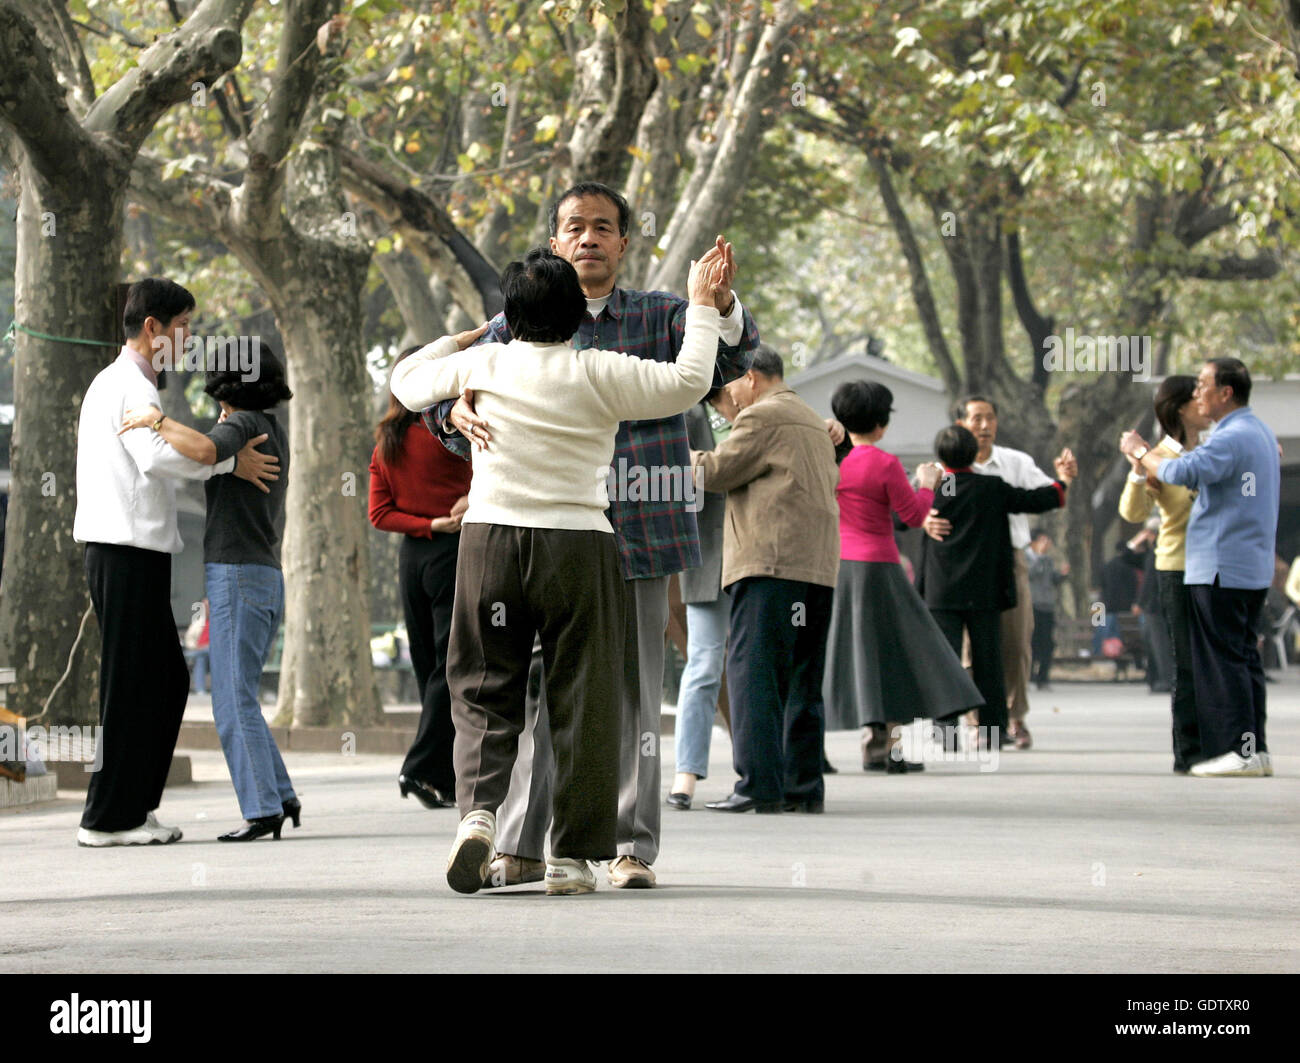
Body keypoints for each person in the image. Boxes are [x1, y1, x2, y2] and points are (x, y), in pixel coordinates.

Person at [428, 182, 758, 890]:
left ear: (624, 243)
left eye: (603, 228)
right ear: (555, 242)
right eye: (574, 227)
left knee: (630, 697)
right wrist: (452, 419)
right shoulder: (518, 321)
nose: (588, 239)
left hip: (640, 529)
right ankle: (518, 843)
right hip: (548, 533)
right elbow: (441, 401)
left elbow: (729, 364)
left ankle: (629, 844)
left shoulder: (665, 316)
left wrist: (721, 306)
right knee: (541, 690)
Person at [72, 277, 277, 847]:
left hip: (130, 550)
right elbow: (156, 458)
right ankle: (107, 818)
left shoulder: (125, 382)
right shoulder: (134, 387)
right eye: (183, 326)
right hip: (124, 549)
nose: (189, 338)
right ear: (152, 328)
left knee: (159, 681)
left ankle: (131, 807)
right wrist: (224, 466)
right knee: (137, 683)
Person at [119, 346, 300, 841]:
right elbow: (205, 445)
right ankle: (280, 796)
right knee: (242, 695)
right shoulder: (268, 424)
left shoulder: (241, 426)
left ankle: (262, 809)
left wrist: (156, 420)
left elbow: (200, 450)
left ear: (227, 385)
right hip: (261, 574)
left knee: (229, 699)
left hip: (237, 573)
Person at [688, 345, 840, 814]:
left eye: (731, 382)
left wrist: (678, 456)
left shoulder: (761, 419)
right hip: (816, 568)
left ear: (751, 376)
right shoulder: (813, 421)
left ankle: (758, 786)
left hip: (769, 564)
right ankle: (803, 787)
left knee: (753, 674)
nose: (729, 395)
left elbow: (716, 471)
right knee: (802, 680)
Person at [1121, 357, 1280, 778]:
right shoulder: (1258, 431)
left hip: (1220, 565)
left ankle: (1236, 750)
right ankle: (1252, 748)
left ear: (1225, 392)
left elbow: (1183, 470)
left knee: (1222, 660)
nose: (1198, 394)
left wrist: (1139, 453)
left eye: (1203, 386)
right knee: (1243, 657)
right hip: (1247, 565)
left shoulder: (1229, 438)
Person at [822, 381, 984, 772]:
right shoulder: (885, 463)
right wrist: (927, 485)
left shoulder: (831, 461)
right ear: (881, 424)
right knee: (891, 654)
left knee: (849, 653)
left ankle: (864, 742)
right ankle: (889, 748)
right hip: (881, 567)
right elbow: (912, 517)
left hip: (840, 568)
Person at [917, 425, 1074, 746]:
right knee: (990, 661)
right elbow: (1042, 499)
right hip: (985, 591)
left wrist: (923, 499)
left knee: (945, 659)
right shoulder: (991, 486)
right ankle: (992, 731)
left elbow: (901, 515)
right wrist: (1064, 482)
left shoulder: (938, 488)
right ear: (974, 454)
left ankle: (945, 730)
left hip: (942, 590)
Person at [369, 346, 473, 811]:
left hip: (411, 557)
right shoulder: (453, 436)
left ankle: (441, 777)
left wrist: (423, 526)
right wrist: (442, 523)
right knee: (449, 666)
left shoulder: (387, 441)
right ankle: (420, 767)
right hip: (452, 551)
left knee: (426, 663)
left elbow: (379, 513)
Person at [667, 389, 734, 810]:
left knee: (751, 664)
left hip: (760, 557)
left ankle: (762, 767)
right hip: (708, 553)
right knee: (704, 663)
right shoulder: (687, 411)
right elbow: (680, 481)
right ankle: (685, 775)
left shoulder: (765, 413)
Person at [1025, 530, 1068, 691]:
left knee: (1048, 644)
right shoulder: (1026, 558)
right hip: (1032, 606)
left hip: (1047, 606)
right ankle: (1028, 677)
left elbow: (1052, 579)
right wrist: (1039, 556)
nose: (1046, 544)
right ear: (1033, 542)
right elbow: (1029, 574)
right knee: (1031, 643)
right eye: (1042, 540)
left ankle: (1043, 678)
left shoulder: (1048, 560)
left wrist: (1062, 575)